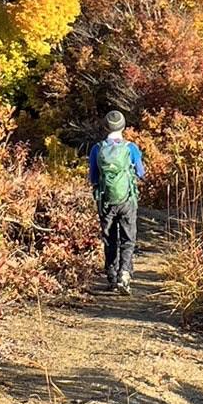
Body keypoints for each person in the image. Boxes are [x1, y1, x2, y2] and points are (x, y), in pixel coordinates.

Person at [87, 110, 145, 294]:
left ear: (105, 127)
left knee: (109, 238)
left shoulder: (97, 148)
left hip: (106, 200)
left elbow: (93, 178)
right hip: (127, 199)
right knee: (128, 237)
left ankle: (112, 276)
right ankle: (125, 274)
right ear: (123, 127)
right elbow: (141, 173)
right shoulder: (130, 148)